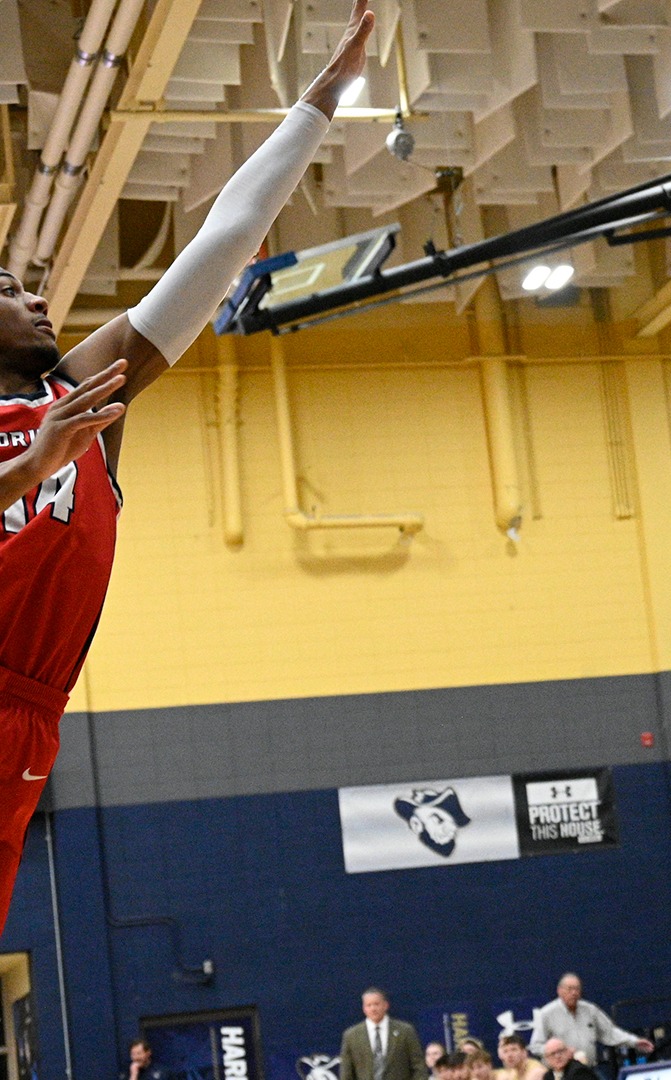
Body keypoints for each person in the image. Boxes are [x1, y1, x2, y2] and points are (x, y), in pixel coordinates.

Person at [0, 0, 373, 941]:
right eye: (7, 288)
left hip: (31, 722)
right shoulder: (49, 434)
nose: (37, 294)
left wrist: (315, 109)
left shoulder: (79, 402)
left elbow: (214, 250)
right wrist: (27, 469)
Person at [530, 974, 651, 1065]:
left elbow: (610, 1032)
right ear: (559, 991)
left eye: (577, 989)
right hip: (562, 1073)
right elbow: (535, 1046)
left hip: (588, 1070)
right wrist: (558, 1053)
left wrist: (634, 1041)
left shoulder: (590, 1010)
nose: (574, 993)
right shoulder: (546, 1013)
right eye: (570, 989)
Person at [340, 988, 428, 1080]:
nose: (373, 1008)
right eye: (368, 1005)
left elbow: (419, 1066)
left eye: (376, 1004)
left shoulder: (405, 1031)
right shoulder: (351, 1036)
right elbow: (346, 1072)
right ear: (364, 1009)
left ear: (386, 1005)